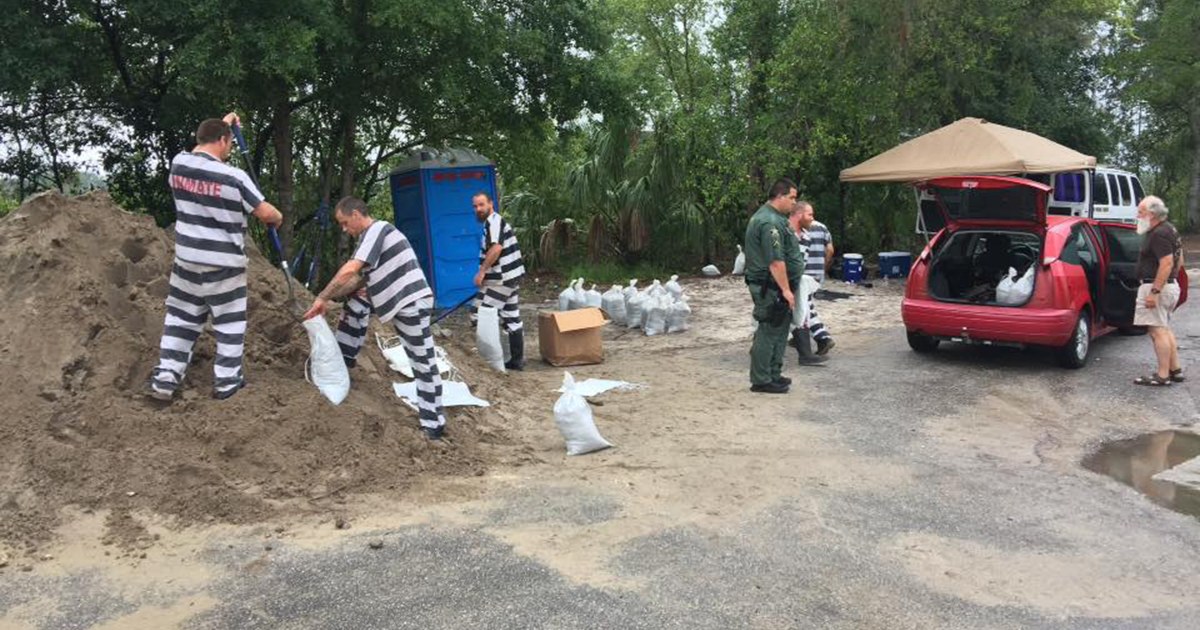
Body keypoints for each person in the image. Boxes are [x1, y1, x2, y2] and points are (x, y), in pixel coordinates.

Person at [148, 112, 283, 401]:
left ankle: (166, 378)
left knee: (181, 319)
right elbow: (265, 212)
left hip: (186, 261)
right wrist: (278, 217)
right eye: (230, 142)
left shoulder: (178, 164)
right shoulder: (234, 177)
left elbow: (202, 148)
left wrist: (222, 125)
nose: (231, 148)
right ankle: (226, 382)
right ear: (223, 141)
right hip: (225, 266)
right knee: (229, 324)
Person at [304, 196, 447, 439]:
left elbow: (351, 270)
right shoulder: (368, 239)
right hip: (400, 302)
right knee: (357, 304)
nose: (344, 229)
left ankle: (433, 423)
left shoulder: (378, 229)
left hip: (410, 302)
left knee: (422, 360)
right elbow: (356, 282)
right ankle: (344, 359)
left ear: (357, 215)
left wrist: (322, 298)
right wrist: (328, 299)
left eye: (345, 222)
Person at [744, 178, 804, 393]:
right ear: (779, 196)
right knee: (769, 329)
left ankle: (773, 373)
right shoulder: (769, 222)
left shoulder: (776, 218)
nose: (794, 203)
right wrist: (786, 290)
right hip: (769, 286)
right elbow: (775, 261)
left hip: (776, 285)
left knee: (780, 330)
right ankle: (761, 379)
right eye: (791, 198)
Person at [470, 191, 526, 370]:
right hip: (509, 277)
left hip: (502, 279)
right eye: (475, 206)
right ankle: (516, 361)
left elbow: (496, 248)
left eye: (481, 205)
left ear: (490, 204)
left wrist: (482, 272)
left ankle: (490, 360)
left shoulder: (493, 222)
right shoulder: (493, 222)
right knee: (511, 317)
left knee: (479, 313)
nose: (478, 209)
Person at [1132, 195, 1184, 387]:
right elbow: (1180, 259)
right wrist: (1173, 280)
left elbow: (1167, 262)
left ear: (1152, 214)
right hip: (1169, 285)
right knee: (1164, 328)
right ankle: (1175, 369)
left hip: (1157, 287)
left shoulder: (1158, 234)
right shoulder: (1170, 229)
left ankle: (1162, 375)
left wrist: (1154, 291)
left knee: (1157, 331)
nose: (1138, 215)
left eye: (1141, 212)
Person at [789, 200, 836, 359]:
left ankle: (814, 339)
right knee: (807, 304)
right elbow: (829, 249)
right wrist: (824, 266)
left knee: (802, 307)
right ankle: (821, 337)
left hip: (803, 276)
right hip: (816, 274)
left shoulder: (801, 232)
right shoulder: (822, 227)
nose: (811, 217)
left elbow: (798, 262)